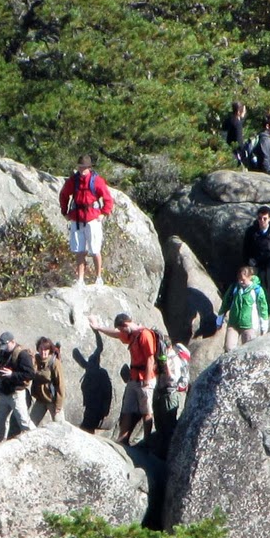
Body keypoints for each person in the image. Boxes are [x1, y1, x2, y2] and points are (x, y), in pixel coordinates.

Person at [88, 312, 159, 446]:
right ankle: (123, 439)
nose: (120, 332)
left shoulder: (144, 335)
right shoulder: (131, 334)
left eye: (121, 328)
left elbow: (150, 358)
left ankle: (148, 442)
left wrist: (147, 380)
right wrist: (98, 328)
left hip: (145, 379)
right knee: (127, 409)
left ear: (126, 324)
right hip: (133, 378)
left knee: (147, 412)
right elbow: (115, 334)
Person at [58, 155, 115, 288]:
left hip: (92, 218)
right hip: (77, 218)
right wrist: (65, 212)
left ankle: (98, 278)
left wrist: (104, 213)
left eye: (85, 167)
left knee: (95, 249)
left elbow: (108, 199)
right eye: (80, 167)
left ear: (90, 168)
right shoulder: (73, 181)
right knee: (79, 250)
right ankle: (80, 280)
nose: (82, 170)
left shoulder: (97, 181)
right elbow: (64, 195)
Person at [0, 331, 36, 441]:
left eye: (6, 345)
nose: (4, 348)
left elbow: (30, 374)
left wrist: (12, 374)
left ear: (13, 342)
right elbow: (0, 362)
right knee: (1, 420)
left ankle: (36, 439)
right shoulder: (3, 352)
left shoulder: (23, 355)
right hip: (4, 392)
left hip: (17, 393)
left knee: (23, 420)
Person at [216, 263, 270, 351]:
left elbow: (263, 308)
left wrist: (264, 326)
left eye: (243, 280)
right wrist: (219, 321)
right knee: (228, 348)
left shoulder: (257, 290)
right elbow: (225, 304)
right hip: (233, 323)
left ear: (250, 277)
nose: (240, 282)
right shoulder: (234, 288)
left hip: (249, 325)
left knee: (248, 349)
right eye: (239, 279)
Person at [242, 205, 270, 304]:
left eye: (265, 218)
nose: (262, 221)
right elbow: (245, 249)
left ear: (269, 218)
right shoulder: (251, 231)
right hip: (257, 262)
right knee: (259, 283)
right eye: (259, 218)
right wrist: (249, 260)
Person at [31, 338, 65, 425]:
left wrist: (59, 404)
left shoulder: (54, 363)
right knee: (30, 424)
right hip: (40, 399)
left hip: (52, 400)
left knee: (59, 425)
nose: (43, 352)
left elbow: (60, 384)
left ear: (50, 350)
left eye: (46, 349)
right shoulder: (36, 360)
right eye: (41, 349)